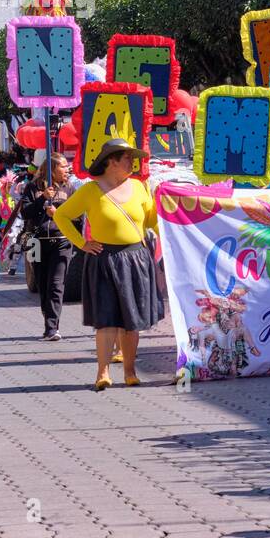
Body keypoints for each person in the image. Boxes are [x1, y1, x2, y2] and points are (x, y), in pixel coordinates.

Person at [54, 138, 164, 390]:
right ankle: (102, 373)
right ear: (111, 161)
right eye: (127, 158)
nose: (132, 162)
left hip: (136, 258)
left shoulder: (138, 187)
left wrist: (174, 232)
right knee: (106, 319)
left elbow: (151, 221)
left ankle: (130, 371)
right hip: (104, 259)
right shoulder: (91, 190)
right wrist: (81, 244)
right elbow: (62, 215)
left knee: (132, 320)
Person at [21, 154, 79, 341]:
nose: (67, 169)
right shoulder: (33, 187)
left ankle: (52, 327)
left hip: (61, 240)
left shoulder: (70, 188)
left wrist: (58, 213)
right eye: (63, 166)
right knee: (42, 283)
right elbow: (25, 212)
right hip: (36, 241)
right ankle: (49, 317)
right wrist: (42, 200)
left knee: (56, 284)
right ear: (52, 169)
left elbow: (78, 218)